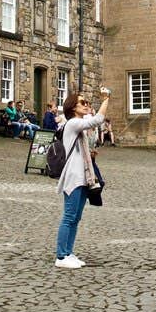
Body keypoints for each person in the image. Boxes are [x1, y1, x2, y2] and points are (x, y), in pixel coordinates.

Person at [54, 87, 111, 269]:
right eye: (82, 103)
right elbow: (97, 120)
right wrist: (106, 99)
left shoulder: (78, 125)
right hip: (73, 177)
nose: (86, 105)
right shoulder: (72, 123)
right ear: (72, 107)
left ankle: (69, 252)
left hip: (83, 177)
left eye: (87, 102)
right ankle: (61, 256)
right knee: (69, 216)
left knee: (76, 217)